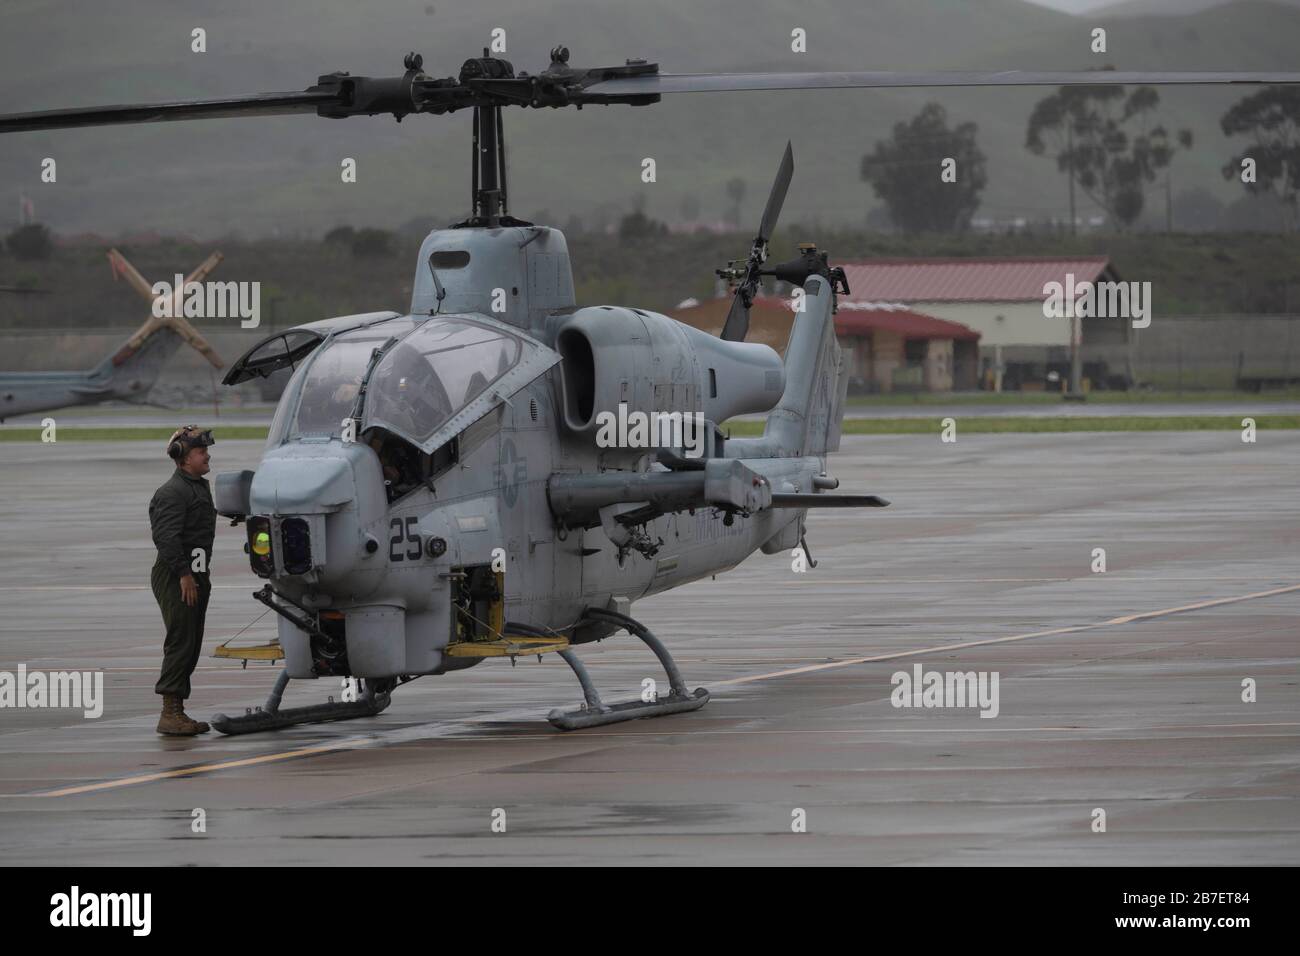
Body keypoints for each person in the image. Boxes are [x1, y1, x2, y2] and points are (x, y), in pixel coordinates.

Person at [149, 425, 217, 736]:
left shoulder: (197, 487)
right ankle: (170, 713)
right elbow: (166, 539)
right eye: (201, 452)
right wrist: (185, 576)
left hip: (195, 574)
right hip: (178, 576)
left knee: (191, 642)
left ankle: (178, 710)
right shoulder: (172, 493)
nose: (207, 456)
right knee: (181, 640)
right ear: (183, 459)